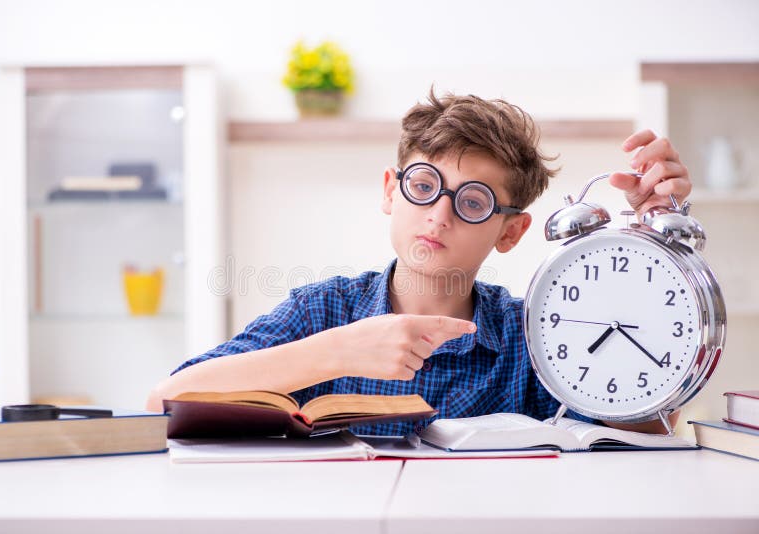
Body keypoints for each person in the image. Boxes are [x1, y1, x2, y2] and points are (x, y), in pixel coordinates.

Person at [146, 89, 691, 436]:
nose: (439, 215)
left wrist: (658, 248)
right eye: (424, 186)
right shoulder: (322, 311)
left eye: (472, 202)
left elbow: (644, 431)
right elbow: (164, 400)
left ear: (511, 231)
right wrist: (340, 350)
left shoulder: (534, 336)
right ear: (391, 191)